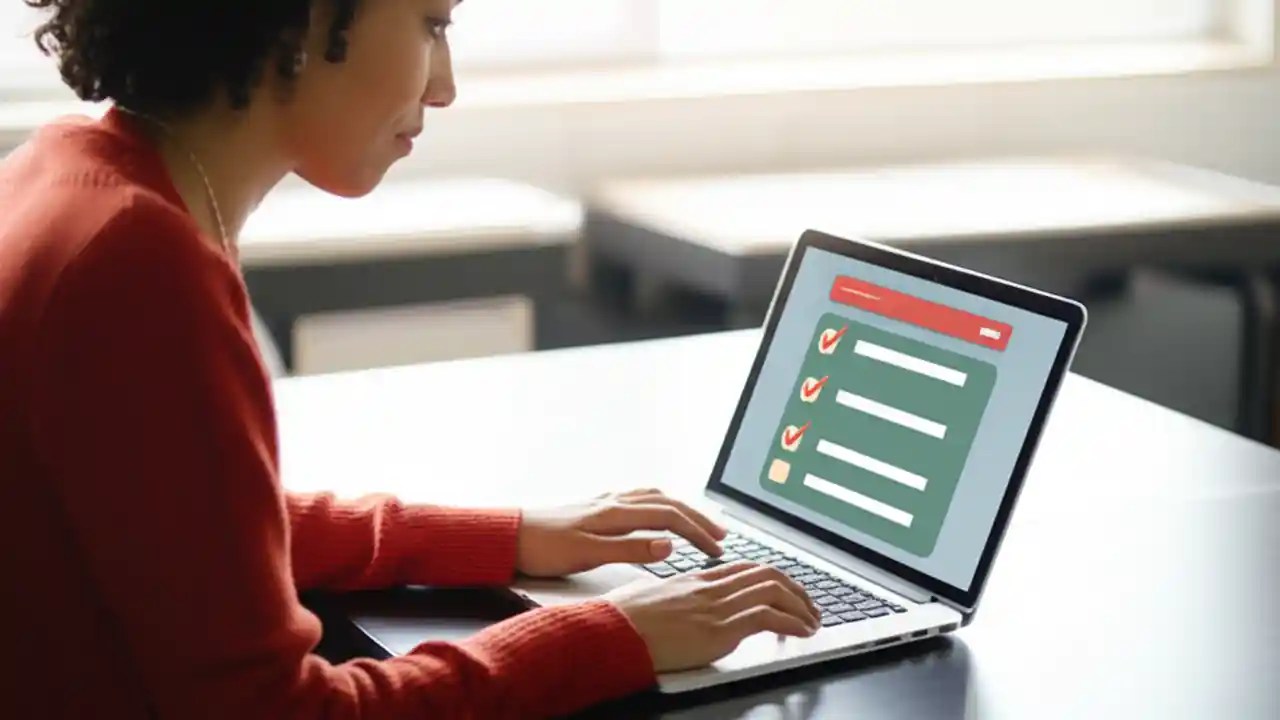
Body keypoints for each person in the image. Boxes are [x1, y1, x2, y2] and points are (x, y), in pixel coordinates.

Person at [0, 1, 821, 717]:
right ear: (307, 18)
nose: (444, 86)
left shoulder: (66, 170)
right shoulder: (143, 266)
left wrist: (506, 537)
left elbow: (196, 529)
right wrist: (610, 635)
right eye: (433, 24)